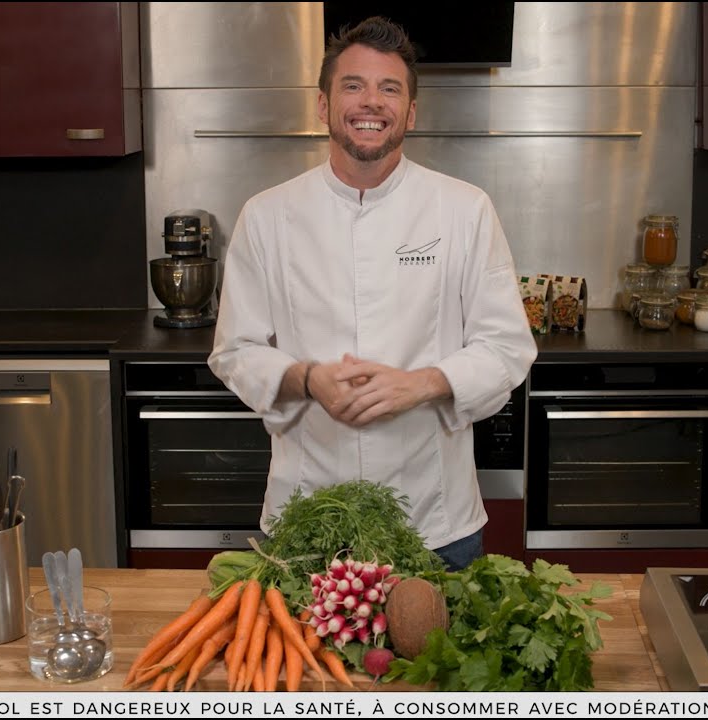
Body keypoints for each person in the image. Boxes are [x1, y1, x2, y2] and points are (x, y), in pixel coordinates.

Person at [207, 16, 536, 571]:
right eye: (353, 85)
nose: (371, 102)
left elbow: (507, 348)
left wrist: (421, 384)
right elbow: (234, 352)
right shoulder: (266, 216)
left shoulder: (464, 209)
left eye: (390, 89)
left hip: (435, 524)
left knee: (438, 658)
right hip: (308, 521)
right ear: (322, 104)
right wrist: (309, 379)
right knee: (302, 663)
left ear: (410, 112)